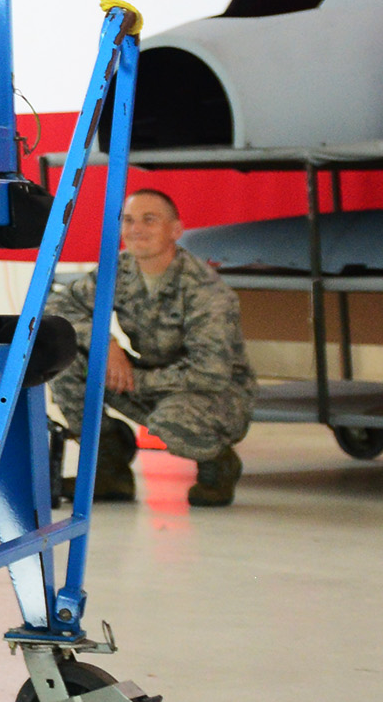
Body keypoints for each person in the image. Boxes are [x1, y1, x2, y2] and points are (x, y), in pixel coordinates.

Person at [49, 187, 255, 509]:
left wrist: (135, 380)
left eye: (149, 220)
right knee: (65, 359)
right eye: (129, 220)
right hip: (153, 376)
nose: (136, 229)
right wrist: (106, 344)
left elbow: (209, 373)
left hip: (215, 394)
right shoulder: (121, 269)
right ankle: (109, 465)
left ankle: (218, 464)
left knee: (170, 421)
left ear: (175, 230)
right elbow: (59, 306)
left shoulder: (206, 291)